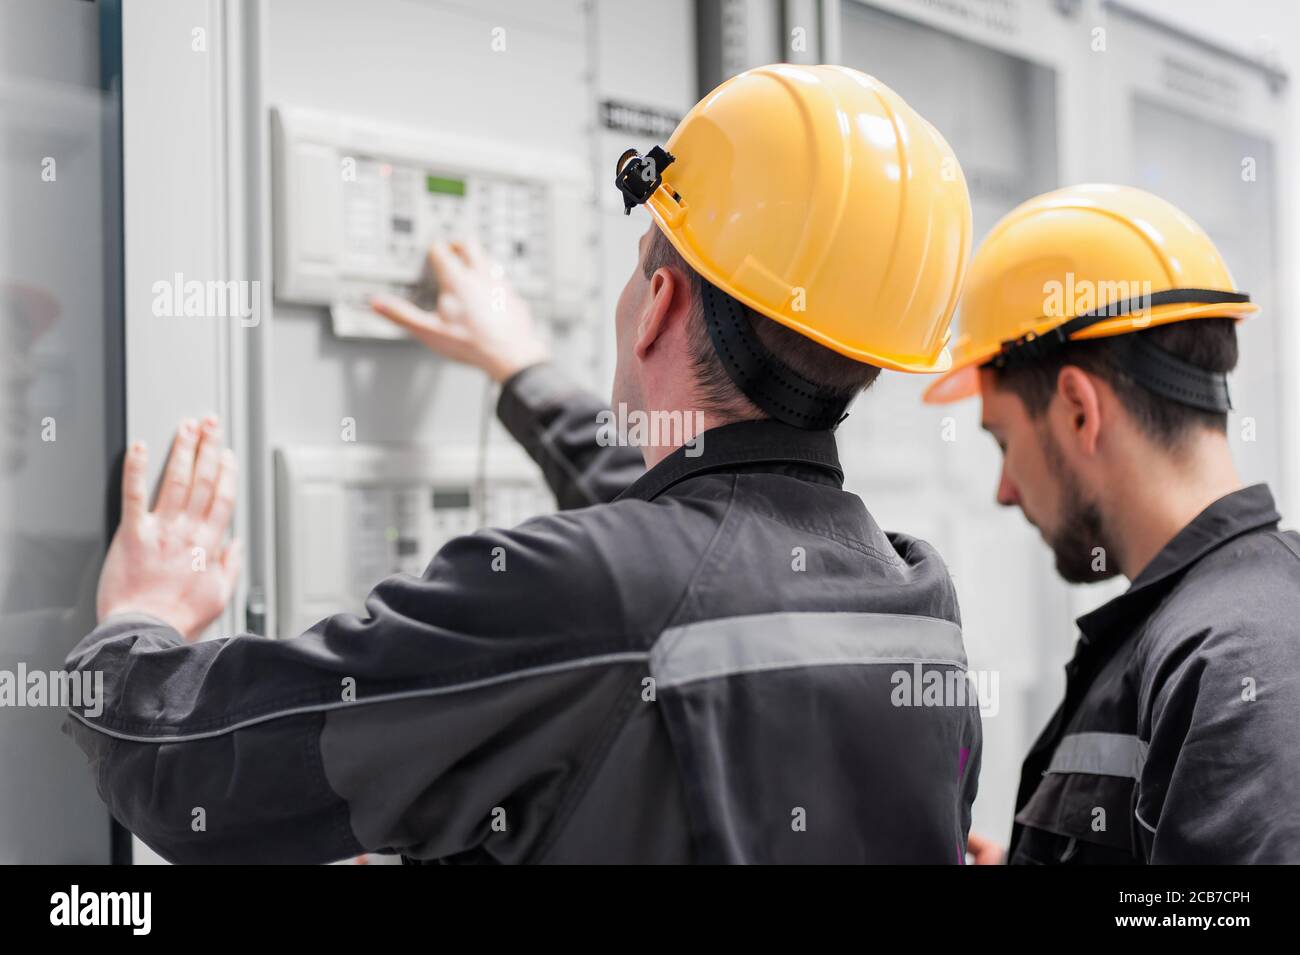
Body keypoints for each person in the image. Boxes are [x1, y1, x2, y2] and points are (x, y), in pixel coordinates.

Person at [66, 64, 979, 863]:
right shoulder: (918, 602)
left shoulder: (576, 595)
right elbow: (702, 561)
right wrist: (523, 371)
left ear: (657, 302)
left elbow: (188, 762)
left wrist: (135, 620)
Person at [925, 184, 1300, 864]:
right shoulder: (1210, 627)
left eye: (1004, 442)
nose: (1005, 490)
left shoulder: (1239, 655)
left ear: (1077, 409)